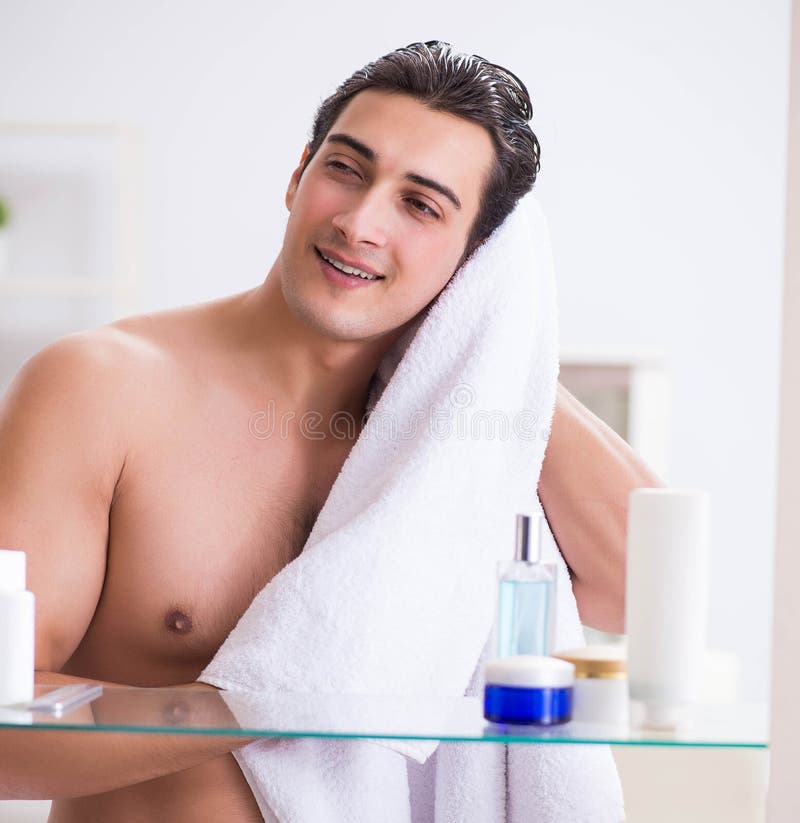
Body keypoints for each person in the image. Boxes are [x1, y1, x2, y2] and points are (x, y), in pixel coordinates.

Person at [0, 41, 658, 821]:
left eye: (421, 206)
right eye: (345, 169)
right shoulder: (101, 387)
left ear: (475, 259)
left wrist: (500, 349)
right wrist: (253, 702)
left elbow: (646, 589)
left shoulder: (456, 449)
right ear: (298, 176)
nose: (359, 222)